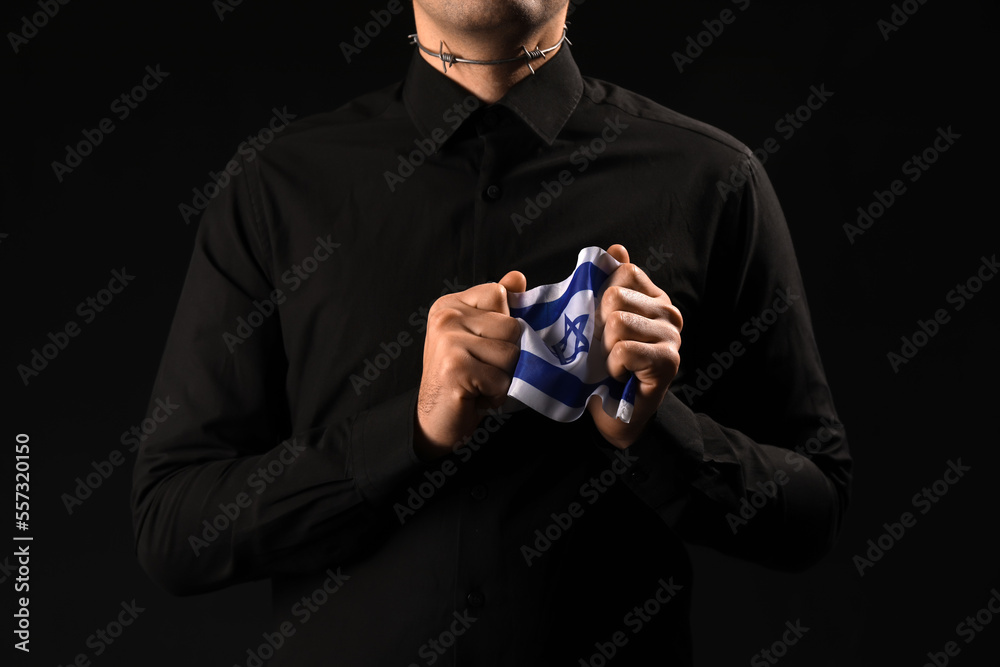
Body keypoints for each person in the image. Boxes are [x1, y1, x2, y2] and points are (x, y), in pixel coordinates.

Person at [131, 1, 851, 665]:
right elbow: (173, 526)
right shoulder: (275, 189)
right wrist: (408, 432)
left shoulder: (714, 181)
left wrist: (657, 431)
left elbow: (814, 509)